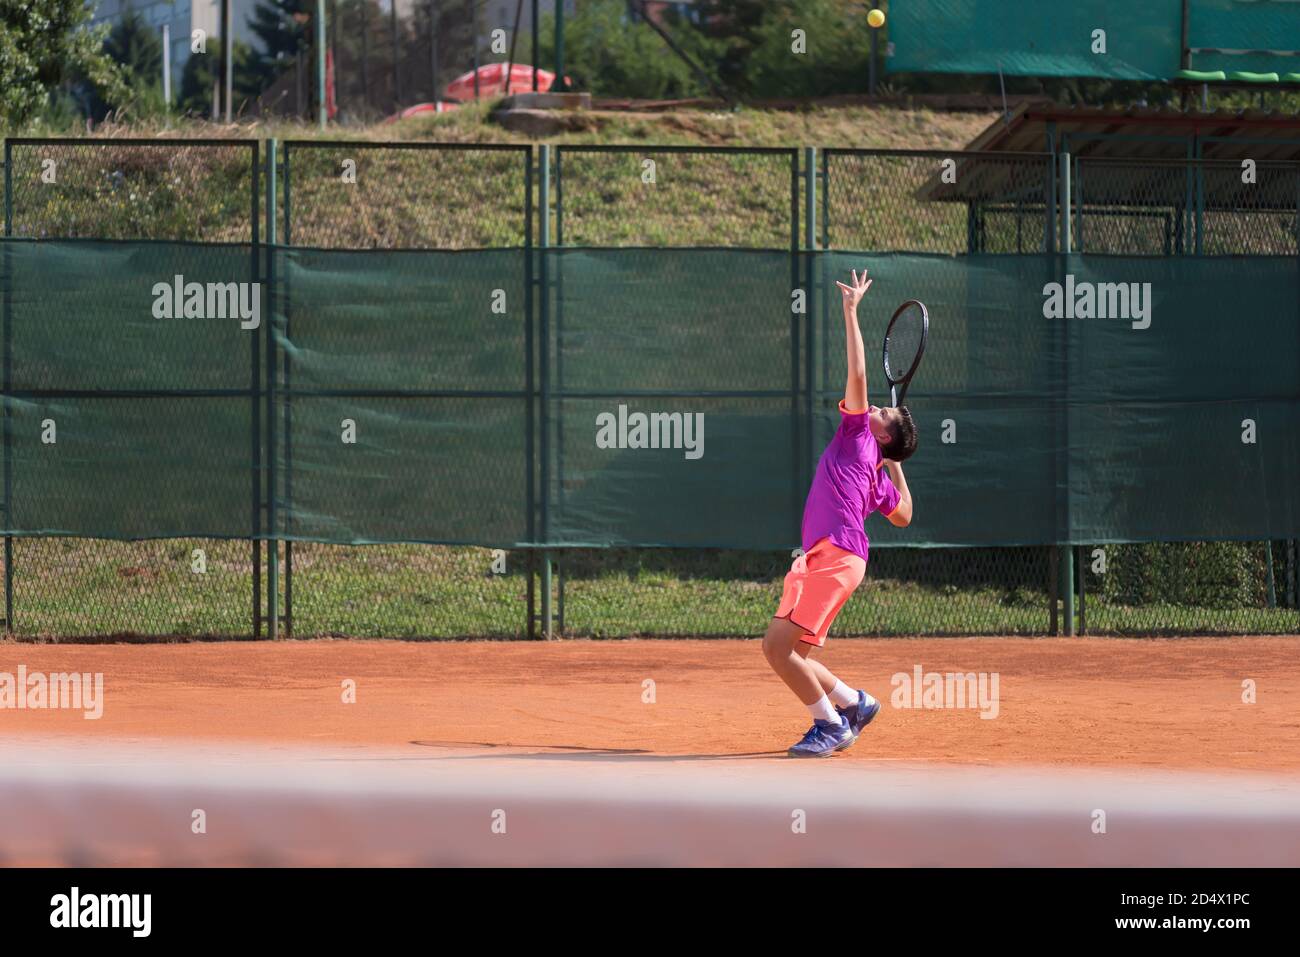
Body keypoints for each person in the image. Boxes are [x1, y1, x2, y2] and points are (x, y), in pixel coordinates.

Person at [762, 268, 918, 758]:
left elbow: (858, 374)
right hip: (833, 559)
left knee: (777, 648)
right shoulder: (874, 473)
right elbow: (905, 516)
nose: (872, 406)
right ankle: (855, 703)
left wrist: (851, 312)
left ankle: (829, 725)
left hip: (836, 557)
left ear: (882, 435)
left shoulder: (857, 437)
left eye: (881, 413)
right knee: (798, 652)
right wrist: (894, 471)